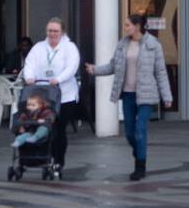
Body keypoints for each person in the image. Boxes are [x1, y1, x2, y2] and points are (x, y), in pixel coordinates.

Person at [86, 14, 174, 181]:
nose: (125, 28)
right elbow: (113, 66)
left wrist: (166, 96)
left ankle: (140, 166)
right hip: (127, 94)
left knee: (140, 130)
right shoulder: (122, 44)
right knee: (129, 133)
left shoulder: (153, 44)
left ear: (137, 26)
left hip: (146, 95)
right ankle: (139, 150)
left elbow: (160, 72)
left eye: (128, 25)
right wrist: (95, 69)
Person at [22, 18, 80, 171]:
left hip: (65, 95)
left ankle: (58, 161)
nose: (52, 34)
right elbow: (30, 64)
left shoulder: (69, 47)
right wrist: (29, 77)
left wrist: (58, 79)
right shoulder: (39, 47)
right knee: (44, 127)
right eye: (50, 31)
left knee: (59, 129)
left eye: (55, 31)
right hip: (43, 95)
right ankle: (44, 157)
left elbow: (72, 67)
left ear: (62, 32)